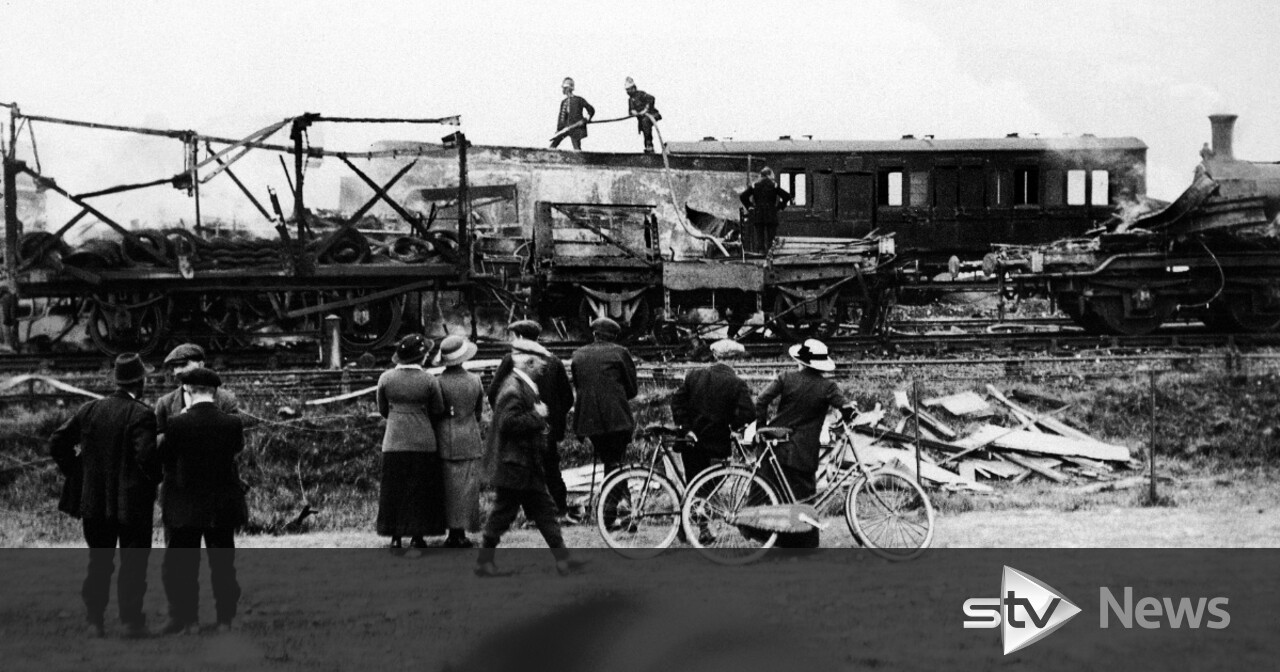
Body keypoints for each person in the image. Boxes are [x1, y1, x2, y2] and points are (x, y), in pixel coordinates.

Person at [48, 353, 160, 639]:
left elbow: (58, 441)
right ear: (140, 382)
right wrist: (155, 480)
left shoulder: (89, 410)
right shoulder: (142, 413)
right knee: (133, 563)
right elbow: (147, 456)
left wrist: (78, 471)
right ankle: (131, 622)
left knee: (99, 563)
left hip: (94, 504)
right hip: (131, 505)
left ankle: (94, 621)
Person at [476, 339, 581, 577]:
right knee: (504, 514)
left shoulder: (521, 384)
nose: (544, 366)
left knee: (544, 511)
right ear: (529, 362)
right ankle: (484, 561)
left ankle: (563, 560)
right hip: (515, 464)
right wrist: (537, 415)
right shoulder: (514, 388)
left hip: (524, 462)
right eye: (539, 362)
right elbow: (508, 423)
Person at [156, 368, 246, 635]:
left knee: (185, 565)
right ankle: (225, 621)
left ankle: (190, 621)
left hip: (185, 503)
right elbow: (237, 450)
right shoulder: (232, 423)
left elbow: (164, 456)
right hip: (222, 504)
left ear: (188, 391)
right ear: (215, 392)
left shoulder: (175, 424)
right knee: (223, 565)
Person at [754, 338, 847, 548]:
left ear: (802, 362)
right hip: (804, 450)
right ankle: (804, 543)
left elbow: (761, 400)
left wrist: (762, 428)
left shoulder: (786, 377)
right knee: (803, 495)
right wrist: (850, 412)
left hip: (776, 446)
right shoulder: (828, 386)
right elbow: (845, 406)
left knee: (775, 494)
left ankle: (775, 538)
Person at [486, 319, 575, 519]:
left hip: (522, 426)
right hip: (547, 427)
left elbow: (493, 392)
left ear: (519, 337)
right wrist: (553, 416)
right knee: (552, 468)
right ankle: (560, 510)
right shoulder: (553, 360)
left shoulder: (511, 360)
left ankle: (533, 516)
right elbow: (567, 398)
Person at [376, 334, 447, 552]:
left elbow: (383, 410)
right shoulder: (429, 380)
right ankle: (417, 536)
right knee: (419, 490)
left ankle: (395, 536)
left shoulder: (386, 378)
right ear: (420, 357)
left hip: (394, 441)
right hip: (423, 441)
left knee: (394, 489)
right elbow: (438, 409)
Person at [570, 317, 638, 528]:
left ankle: (626, 512)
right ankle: (609, 516)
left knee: (613, 462)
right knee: (615, 464)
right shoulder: (620, 353)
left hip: (589, 421)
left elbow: (578, 384)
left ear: (594, 334)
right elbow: (632, 389)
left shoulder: (578, 355)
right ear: (614, 335)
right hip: (616, 418)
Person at [671, 339, 755, 483]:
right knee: (710, 487)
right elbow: (749, 413)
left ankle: (693, 504)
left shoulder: (694, 375)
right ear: (736, 360)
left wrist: (686, 429)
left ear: (715, 356)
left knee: (693, 485)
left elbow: (677, 402)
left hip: (691, 443)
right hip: (717, 445)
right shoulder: (737, 383)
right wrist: (734, 427)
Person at [433, 336, 486, 548]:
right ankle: (462, 532)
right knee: (467, 488)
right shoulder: (475, 380)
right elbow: (479, 412)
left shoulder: (438, 382)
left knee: (448, 488)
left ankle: (451, 533)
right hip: (469, 438)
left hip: (445, 439)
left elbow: (435, 411)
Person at [154, 343, 238, 441]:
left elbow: (235, 439)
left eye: (183, 364)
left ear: (201, 364)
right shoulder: (165, 403)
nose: (178, 371)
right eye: (175, 366)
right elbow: (156, 441)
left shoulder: (226, 399)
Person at [739, 167, 792, 256]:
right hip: (771, 214)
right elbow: (787, 196)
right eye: (772, 174)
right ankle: (770, 256)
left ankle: (761, 255)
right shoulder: (774, 185)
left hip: (759, 214)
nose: (773, 176)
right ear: (768, 175)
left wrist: (750, 207)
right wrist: (779, 207)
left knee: (760, 239)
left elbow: (743, 196)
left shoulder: (755, 185)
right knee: (771, 239)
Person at [550, 77, 595, 151]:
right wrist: (559, 130)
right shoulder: (564, 102)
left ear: (568, 89)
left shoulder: (579, 100)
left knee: (577, 148)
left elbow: (591, 110)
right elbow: (561, 118)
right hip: (565, 128)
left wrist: (585, 119)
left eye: (564, 88)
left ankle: (580, 160)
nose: (563, 90)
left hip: (575, 128)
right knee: (554, 144)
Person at [624, 76, 662, 154]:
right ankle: (648, 147)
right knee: (644, 127)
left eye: (629, 90)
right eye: (626, 90)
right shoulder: (630, 100)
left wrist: (645, 110)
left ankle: (649, 146)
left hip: (652, 114)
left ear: (634, 88)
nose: (627, 92)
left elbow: (651, 98)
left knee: (645, 122)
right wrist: (633, 112)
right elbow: (631, 111)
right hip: (643, 118)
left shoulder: (641, 94)